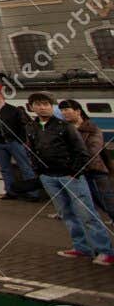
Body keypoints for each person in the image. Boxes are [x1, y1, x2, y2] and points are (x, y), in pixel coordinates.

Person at [26, 93, 113, 264]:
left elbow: (81, 151)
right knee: (67, 214)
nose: (42, 107)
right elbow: (31, 150)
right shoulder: (31, 127)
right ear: (32, 107)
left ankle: (105, 251)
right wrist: (39, 171)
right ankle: (81, 247)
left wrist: (73, 172)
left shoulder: (65, 127)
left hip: (69, 176)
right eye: (38, 104)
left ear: (52, 107)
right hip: (48, 176)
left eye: (46, 104)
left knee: (87, 214)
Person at [0, 88, 40, 200]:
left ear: (0, 96)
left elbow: (21, 126)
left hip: (13, 142)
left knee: (25, 167)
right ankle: (11, 192)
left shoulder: (13, 110)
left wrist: (20, 140)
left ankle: (33, 193)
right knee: (5, 168)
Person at [60, 101, 113, 219]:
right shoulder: (64, 129)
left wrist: (72, 161)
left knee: (106, 201)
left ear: (78, 111)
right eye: (62, 111)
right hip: (76, 172)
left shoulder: (92, 129)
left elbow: (93, 151)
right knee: (90, 202)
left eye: (67, 110)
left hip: (94, 170)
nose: (64, 113)